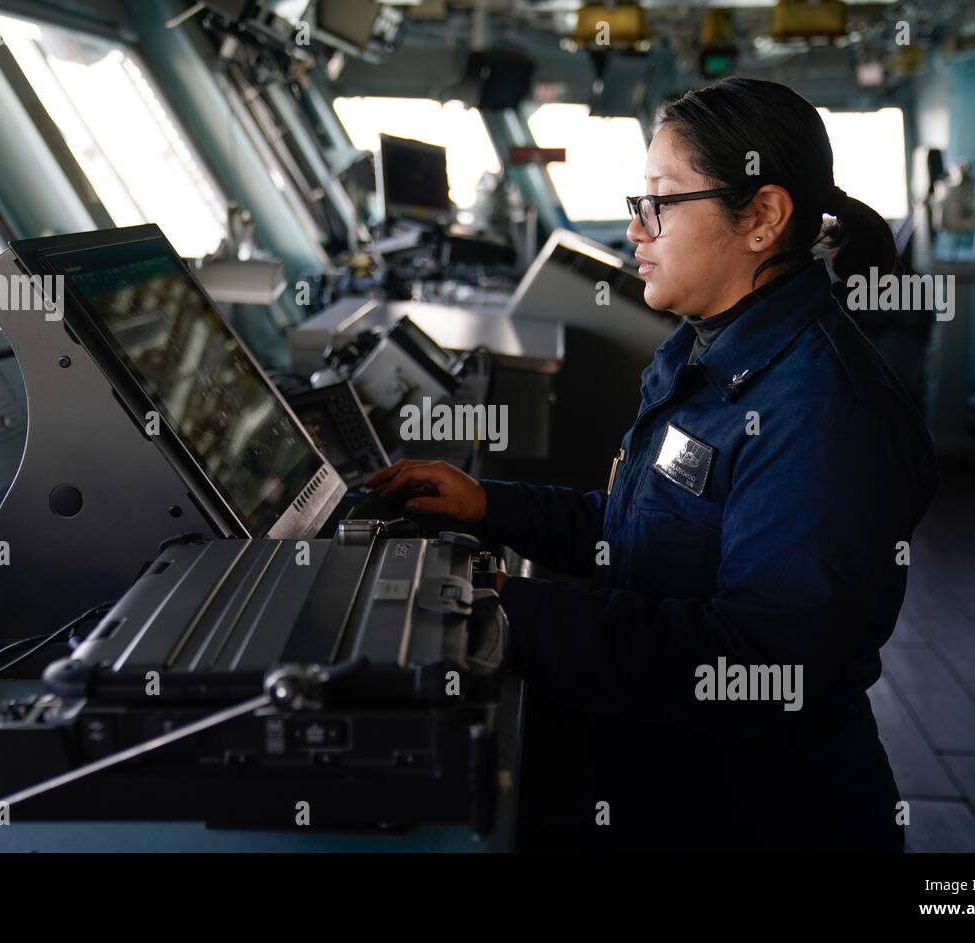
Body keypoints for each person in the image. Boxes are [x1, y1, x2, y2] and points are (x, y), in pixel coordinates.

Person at [367, 77, 938, 851]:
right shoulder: (707, 343)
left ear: (763, 217)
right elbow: (641, 531)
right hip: (672, 766)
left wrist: (504, 611)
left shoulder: (823, 411)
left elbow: (758, 662)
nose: (636, 228)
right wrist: (489, 506)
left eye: (660, 202)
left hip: (761, 815)